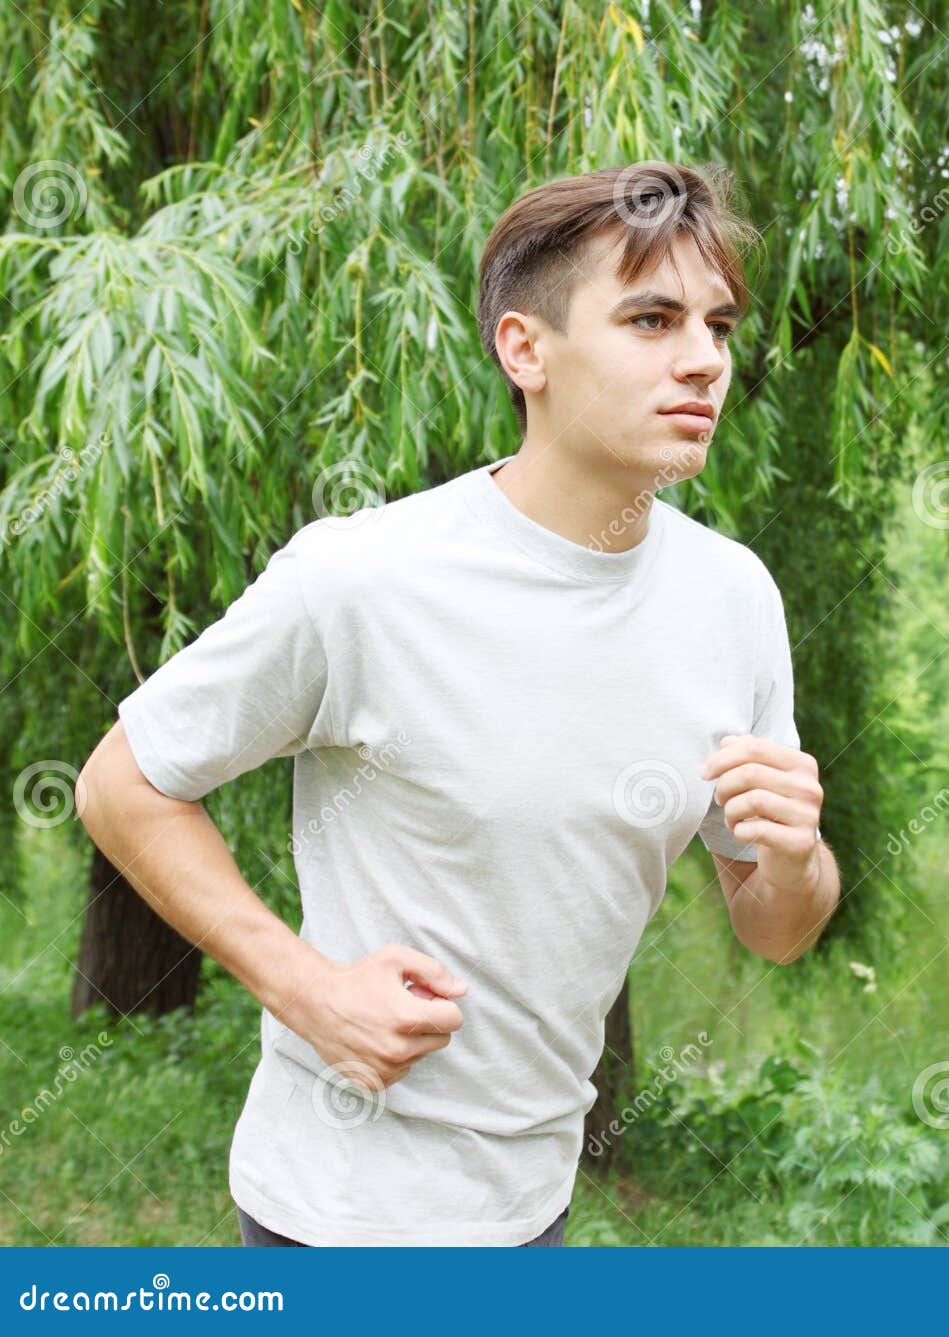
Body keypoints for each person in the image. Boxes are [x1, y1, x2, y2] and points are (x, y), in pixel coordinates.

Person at [74, 160, 840, 1247]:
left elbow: (774, 926)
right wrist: (305, 988)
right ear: (525, 348)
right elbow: (121, 780)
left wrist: (800, 857)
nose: (705, 359)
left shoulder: (734, 598)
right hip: (334, 1218)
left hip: (535, 1210)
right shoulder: (364, 578)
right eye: (652, 318)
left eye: (717, 323)